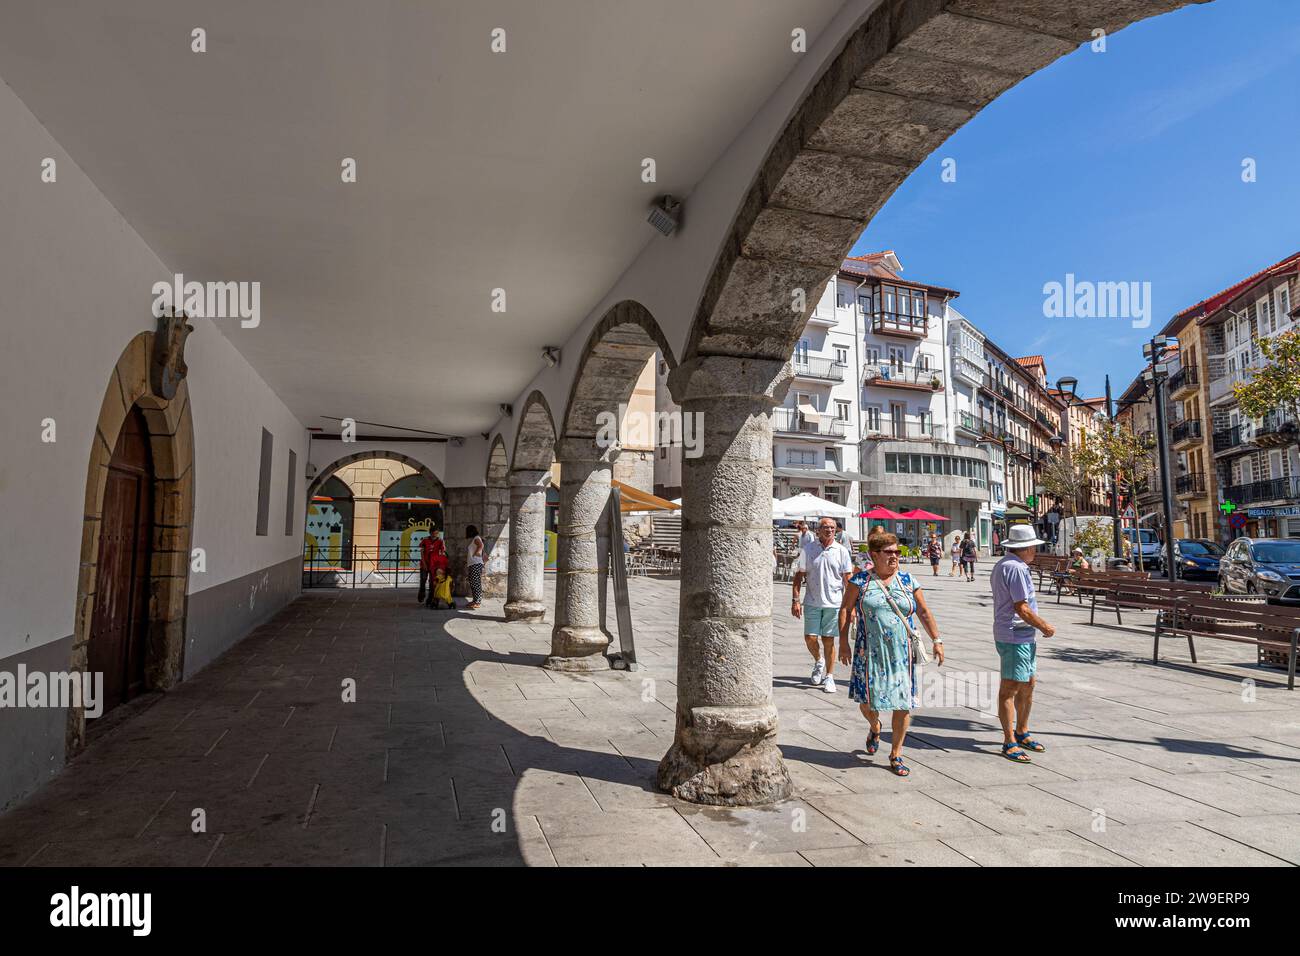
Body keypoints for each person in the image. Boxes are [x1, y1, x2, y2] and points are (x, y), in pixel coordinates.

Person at [837, 530, 944, 777]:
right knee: (867, 702)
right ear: (874, 555)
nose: (895, 556)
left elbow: (924, 612)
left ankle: (896, 753)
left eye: (898, 552)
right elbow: (845, 610)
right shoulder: (860, 582)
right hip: (869, 652)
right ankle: (875, 725)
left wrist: (937, 640)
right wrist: (843, 642)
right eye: (889, 552)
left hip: (902, 653)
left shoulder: (908, 581)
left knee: (903, 703)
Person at [989, 524, 1055, 763]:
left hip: (1021, 634)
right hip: (1015, 634)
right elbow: (1022, 607)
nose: (1035, 552)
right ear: (1024, 548)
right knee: (1010, 687)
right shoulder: (1015, 568)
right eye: (1034, 548)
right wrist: (1044, 625)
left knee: (1028, 683)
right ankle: (1009, 741)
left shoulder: (1006, 565)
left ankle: (1022, 731)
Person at [792, 516, 855, 694]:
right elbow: (798, 577)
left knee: (829, 640)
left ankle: (829, 676)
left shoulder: (841, 551)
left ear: (836, 530)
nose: (829, 530)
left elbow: (848, 580)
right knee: (810, 638)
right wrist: (795, 600)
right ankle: (818, 660)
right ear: (818, 530)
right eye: (825, 527)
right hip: (812, 601)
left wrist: (851, 607)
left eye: (832, 528)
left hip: (834, 603)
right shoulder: (808, 549)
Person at [417, 530, 448, 607]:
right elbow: (421, 552)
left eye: (436, 533)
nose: (435, 534)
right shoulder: (425, 540)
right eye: (433, 533)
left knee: (432, 583)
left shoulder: (440, 541)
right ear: (430, 533)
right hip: (425, 563)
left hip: (434, 565)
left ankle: (430, 599)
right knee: (423, 579)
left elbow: (443, 552)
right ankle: (422, 594)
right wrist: (424, 563)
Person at [464, 525, 485, 609]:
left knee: (475, 582)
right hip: (473, 564)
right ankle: (475, 600)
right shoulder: (475, 538)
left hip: (476, 563)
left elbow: (481, 546)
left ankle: (477, 602)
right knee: (473, 582)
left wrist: (475, 553)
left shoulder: (476, 538)